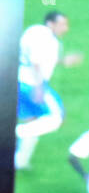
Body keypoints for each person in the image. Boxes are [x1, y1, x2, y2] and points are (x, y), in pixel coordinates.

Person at [15, 10, 83, 170]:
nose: (65, 28)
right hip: (31, 84)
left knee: (31, 120)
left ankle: (20, 161)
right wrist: (39, 87)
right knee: (58, 117)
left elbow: (36, 56)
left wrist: (63, 61)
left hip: (18, 80)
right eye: (62, 24)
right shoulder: (49, 40)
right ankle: (16, 133)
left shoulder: (33, 31)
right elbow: (36, 61)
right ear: (50, 23)